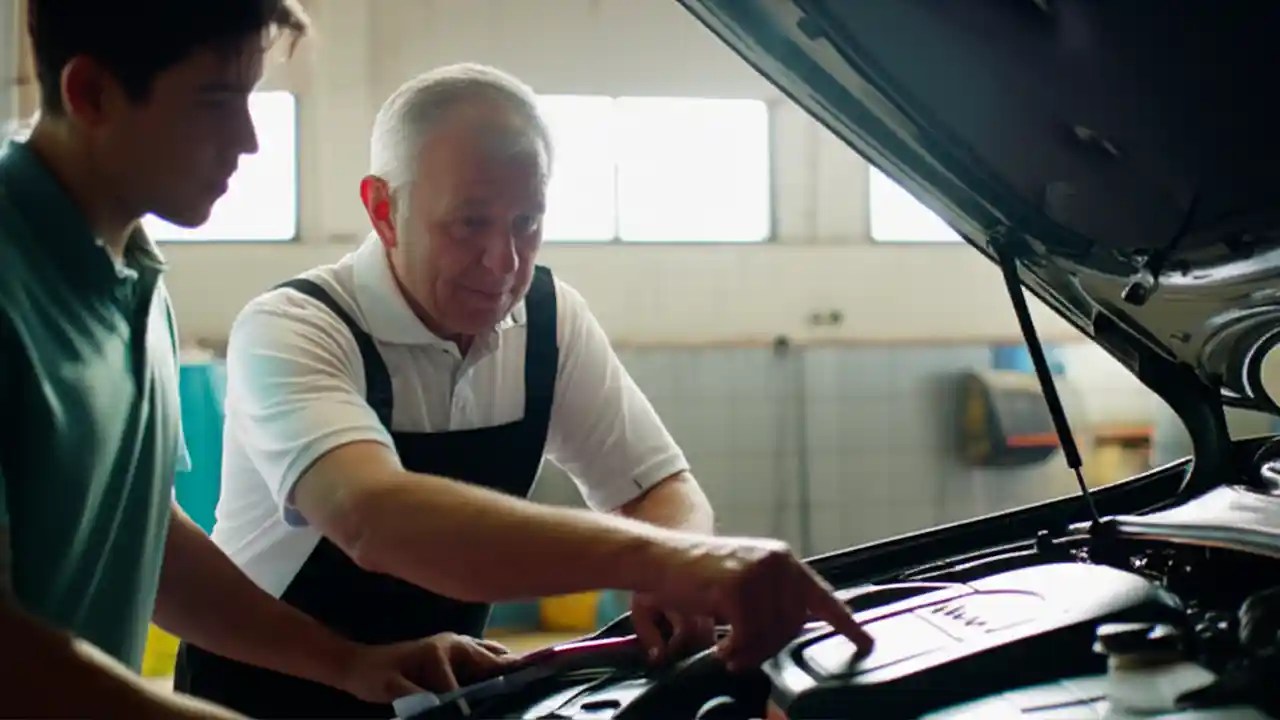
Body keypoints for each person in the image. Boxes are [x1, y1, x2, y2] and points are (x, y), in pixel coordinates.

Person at [176, 62, 874, 718]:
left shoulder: (548, 320)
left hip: (429, 691)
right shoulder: (294, 328)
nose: (502, 262)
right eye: (470, 224)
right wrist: (681, 560)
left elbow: (657, 484)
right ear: (383, 209)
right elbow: (373, 519)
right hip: (255, 697)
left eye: (527, 223)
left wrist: (675, 560)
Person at [0, 5, 525, 719]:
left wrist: (351, 664)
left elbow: (146, 538)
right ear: (91, 93)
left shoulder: (135, 277)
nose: (248, 141)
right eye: (216, 102)